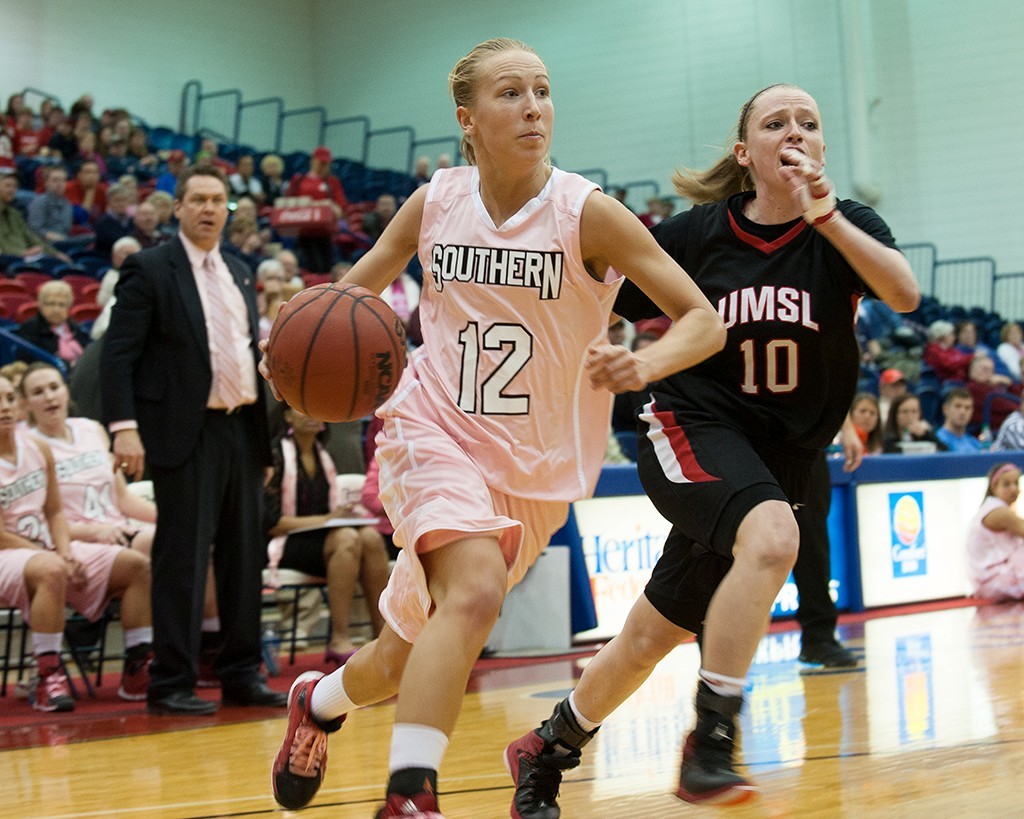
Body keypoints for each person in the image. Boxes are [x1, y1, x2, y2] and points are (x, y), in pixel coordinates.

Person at [266, 38, 725, 817]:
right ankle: (410, 795)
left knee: (397, 655)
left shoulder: (589, 214)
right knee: (475, 590)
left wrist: (642, 365)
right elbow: (349, 302)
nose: (534, 107)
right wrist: (302, 346)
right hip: (433, 428)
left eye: (542, 91)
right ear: (467, 119)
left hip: (533, 471)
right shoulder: (434, 204)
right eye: (510, 93)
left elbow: (702, 321)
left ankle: (319, 702)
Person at [506, 81, 919, 813]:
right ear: (745, 151)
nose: (794, 131)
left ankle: (548, 745)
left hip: (780, 456)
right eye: (775, 122)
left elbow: (905, 292)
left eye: (809, 122)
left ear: (822, 148)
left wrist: (827, 217)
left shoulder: (845, 226)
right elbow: (601, 292)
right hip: (691, 426)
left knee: (650, 633)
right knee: (773, 536)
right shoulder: (700, 233)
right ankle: (712, 741)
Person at [100, 165, 286, 716]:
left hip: (242, 428)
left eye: (219, 201)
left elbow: (248, 359)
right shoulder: (149, 267)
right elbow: (118, 355)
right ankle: (171, 680)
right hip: (186, 431)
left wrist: (267, 446)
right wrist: (124, 427)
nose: (209, 209)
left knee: (243, 558)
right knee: (181, 557)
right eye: (198, 199)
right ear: (176, 208)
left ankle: (239, 674)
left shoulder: (238, 269)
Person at [0, 374, 154, 710]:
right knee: (51, 568)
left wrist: (66, 551)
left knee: (135, 566)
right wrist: (55, 556)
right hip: (8, 551)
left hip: (49, 549)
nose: (4, 408)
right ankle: (46, 676)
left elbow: (55, 512)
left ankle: (137, 668)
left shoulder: (37, 448)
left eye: (9, 398)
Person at [264, 404, 390, 665]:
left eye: (313, 411)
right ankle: (339, 639)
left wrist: (341, 516)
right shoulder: (276, 454)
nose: (310, 415)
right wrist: (326, 520)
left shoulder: (323, 456)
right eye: (301, 410)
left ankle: (384, 638)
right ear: (286, 416)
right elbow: (271, 523)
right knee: (346, 539)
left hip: (318, 540)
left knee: (369, 537)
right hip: (282, 542)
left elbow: (328, 515)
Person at [20, 361, 158, 552]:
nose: (49, 397)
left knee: (193, 537)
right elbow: (41, 520)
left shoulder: (91, 428)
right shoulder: (29, 446)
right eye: (38, 392)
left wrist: (168, 518)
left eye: (54, 387)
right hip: (76, 539)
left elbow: (123, 499)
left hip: (119, 528)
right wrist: (93, 531)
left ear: (66, 390)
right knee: (163, 545)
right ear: (25, 404)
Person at [285, 145, 348, 272]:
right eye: (321, 162)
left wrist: (329, 207)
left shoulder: (332, 182)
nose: (323, 166)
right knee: (310, 267)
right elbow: (287, 203)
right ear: (313, 161)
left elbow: (341, 209)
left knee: (326, 268)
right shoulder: (299, 180)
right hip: (303, 232)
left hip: (325, 233)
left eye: (326, 163)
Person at [966, 462, 1024, 600]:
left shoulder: (992, 507)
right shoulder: (999, 512)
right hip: (995, 581)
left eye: (1016, 483)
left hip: (990, 580)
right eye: (1007, 484)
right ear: (994, 487)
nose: (1014, 489)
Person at [15, 280, 90, 368]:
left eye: (61, 305)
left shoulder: (75, 327)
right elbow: (30, 359)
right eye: (51, 304)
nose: (56, 310)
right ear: (41, 305)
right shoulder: (31, 327)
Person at [0, 172, 68, 262]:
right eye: (8, 186)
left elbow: (31, 236)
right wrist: (22, 253)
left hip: (25, 259)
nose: (12, 190)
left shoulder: (14, 214)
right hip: (9, 261)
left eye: (14, 187)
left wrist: (55, 253)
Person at [882, 393, 946, 453]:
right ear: (894, 414)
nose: (910, 416)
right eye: (904, 412)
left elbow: (944, 452)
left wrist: (925, 435)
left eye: (914, 412)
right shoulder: (886, 437)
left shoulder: (926, 434)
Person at [27, 165, 73, 242]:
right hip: (45, 244)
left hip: (65, 241)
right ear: (46, 183)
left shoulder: (66, 202)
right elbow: (34, 229)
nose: (59, 184)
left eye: (63, 180)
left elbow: (67, 229)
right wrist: (56, 237)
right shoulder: (39, 202)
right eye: (55, 180)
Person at [935, 387, 984, 452]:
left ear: (972, 412)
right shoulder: (937, 441)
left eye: (967, 408)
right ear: (945, 409)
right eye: (957, 406)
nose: (962, 412)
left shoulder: (974, 443)